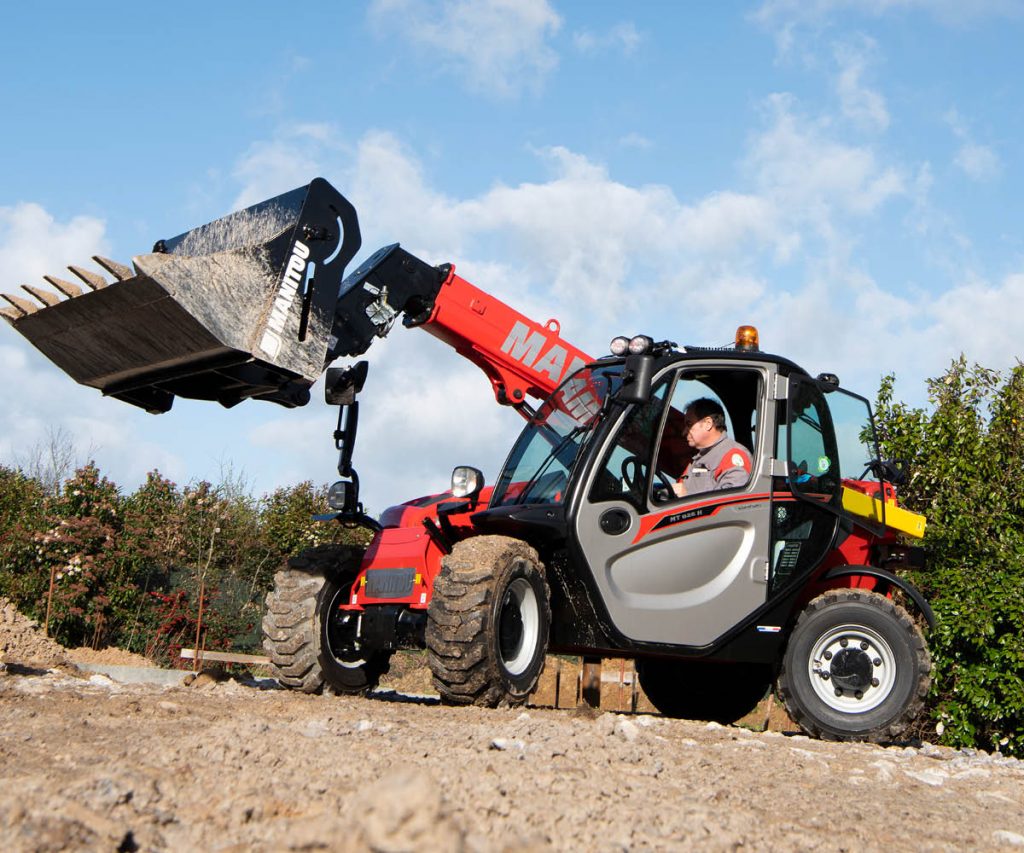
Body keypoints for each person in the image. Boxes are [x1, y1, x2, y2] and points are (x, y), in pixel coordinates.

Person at [671, 398, 751, 498]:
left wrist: (686, 496)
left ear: (708, 424)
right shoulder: (694, 462)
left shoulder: (732, 455)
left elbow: (732, 503)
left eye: (689, 424)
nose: (684, 432)